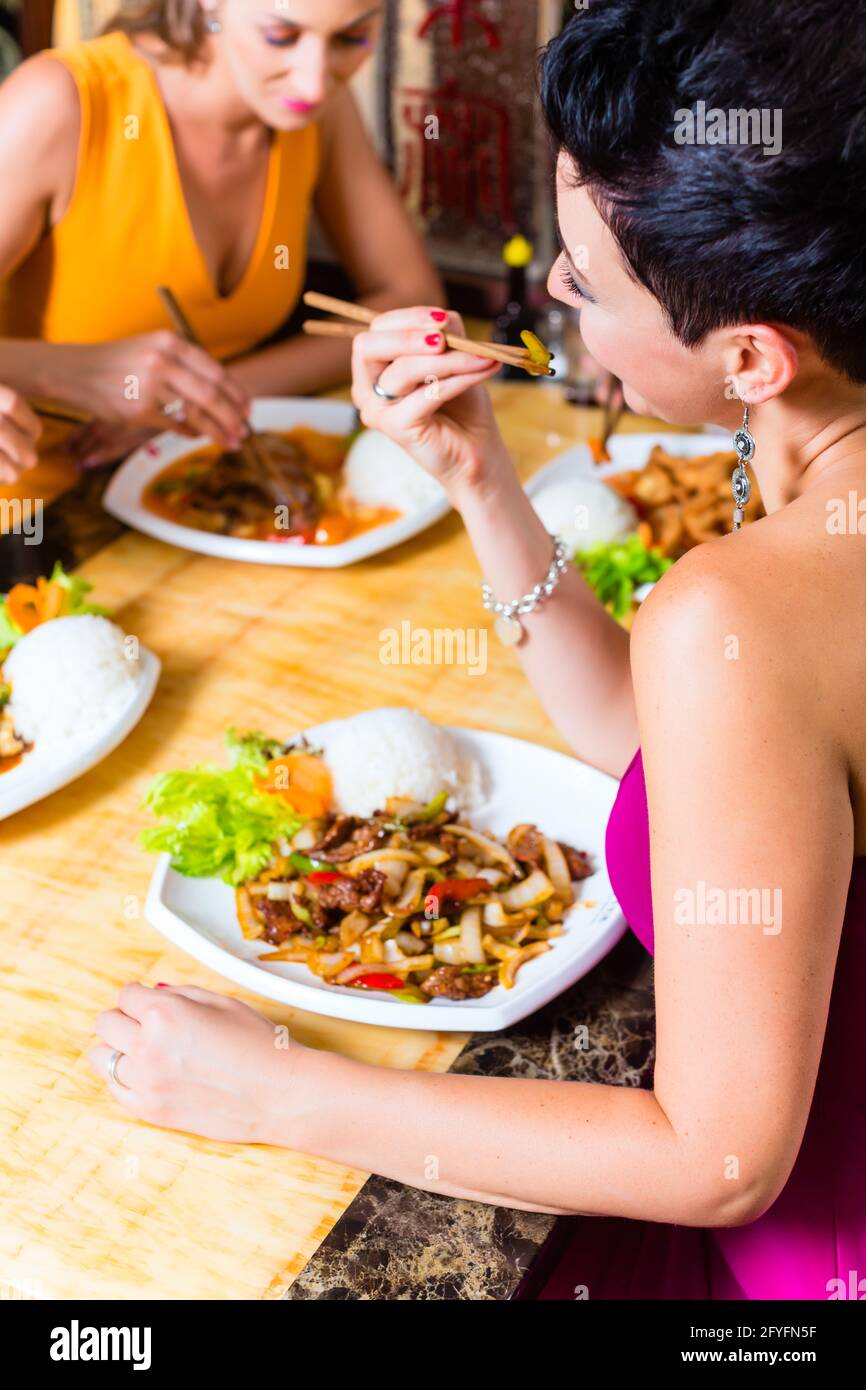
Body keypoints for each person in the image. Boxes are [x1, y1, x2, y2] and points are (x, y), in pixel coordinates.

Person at [89, 0, 866, 1299]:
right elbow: (695, 761)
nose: (550, 297)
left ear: (748, 355)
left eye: (584, 282)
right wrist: (479, 479)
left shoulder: (738, 609)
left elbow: (717, 1157)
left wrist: (271, 1087)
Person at [0, 0, 441, 471]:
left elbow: (409, 303)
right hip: (34, 510)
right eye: (280, 36)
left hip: (196, 477)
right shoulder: (61, 102)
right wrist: (68, 374)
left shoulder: (316, 111)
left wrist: (199, 398)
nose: (313, 80)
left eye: (351, 38)